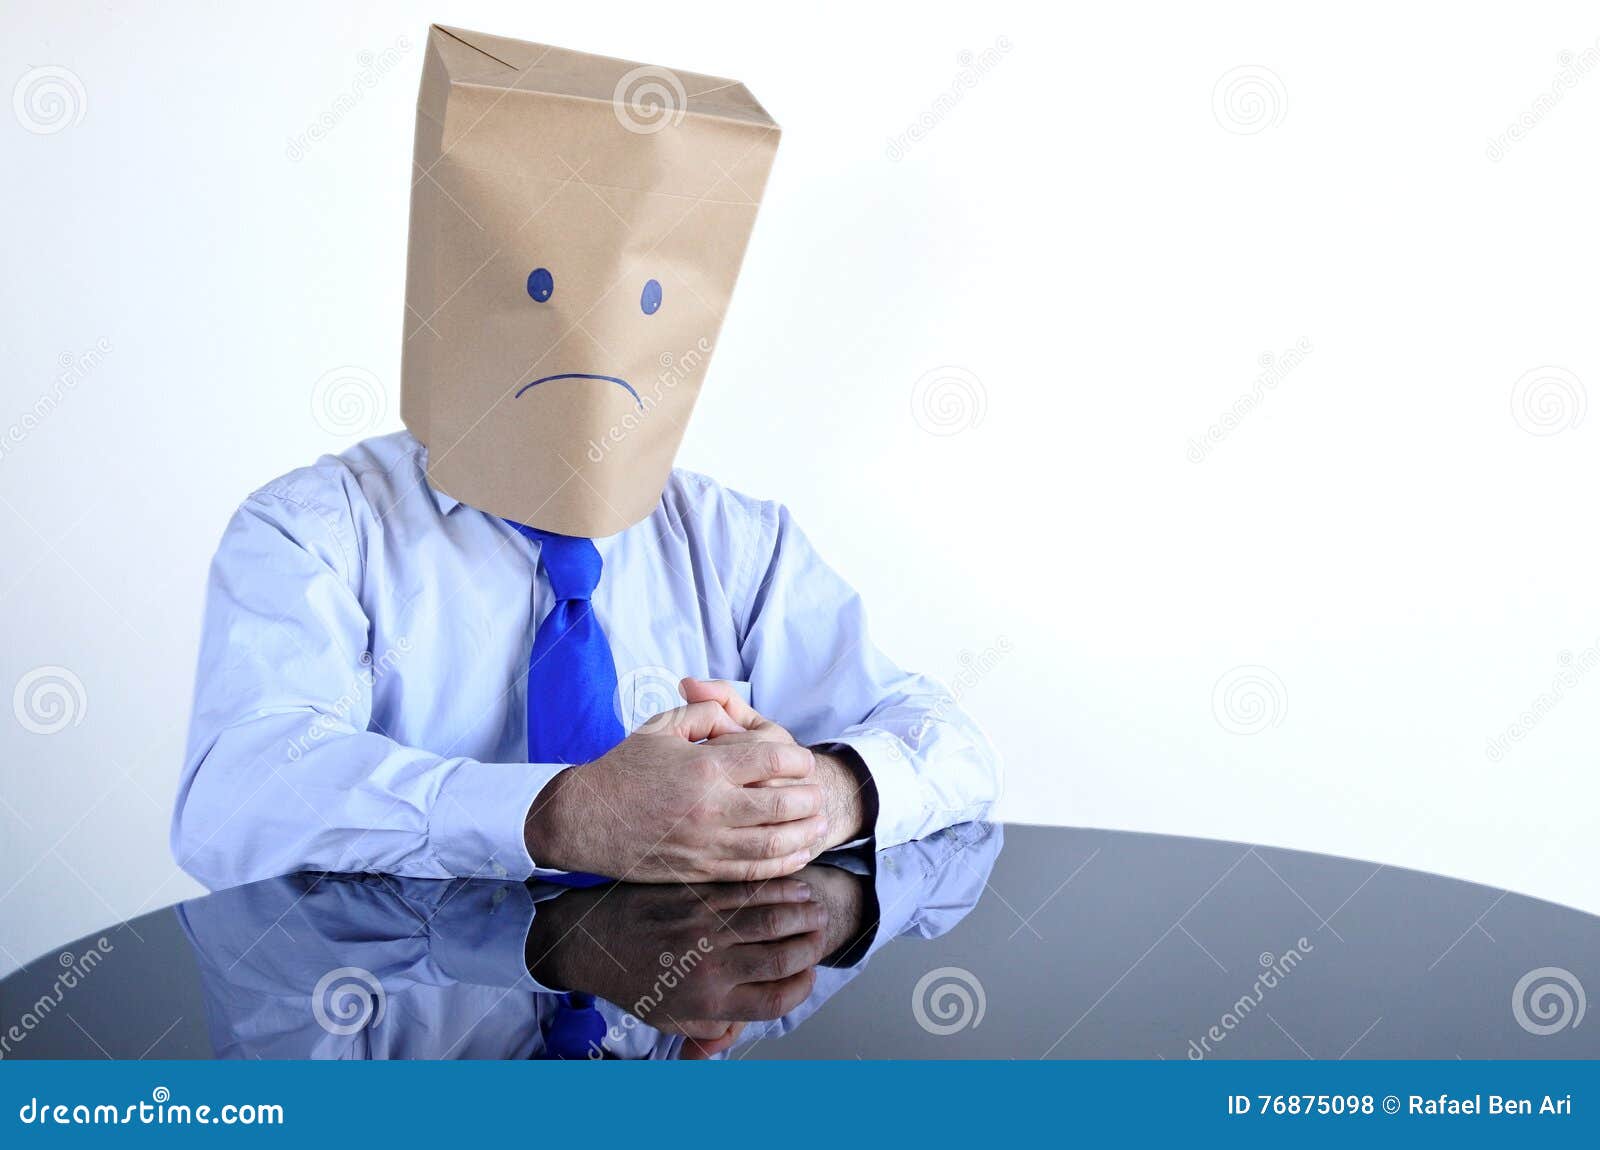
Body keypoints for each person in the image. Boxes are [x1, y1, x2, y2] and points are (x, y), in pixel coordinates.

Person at [169, 26, 1001, 890]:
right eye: (542, 292)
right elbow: (236, 803)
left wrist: (827, 791)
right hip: (413, 1014)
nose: (591, 345)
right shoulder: (317, 535)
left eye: (646, 302)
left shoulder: (737, 546)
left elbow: (954, 750)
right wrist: (562, 812)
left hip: (677, 1011)